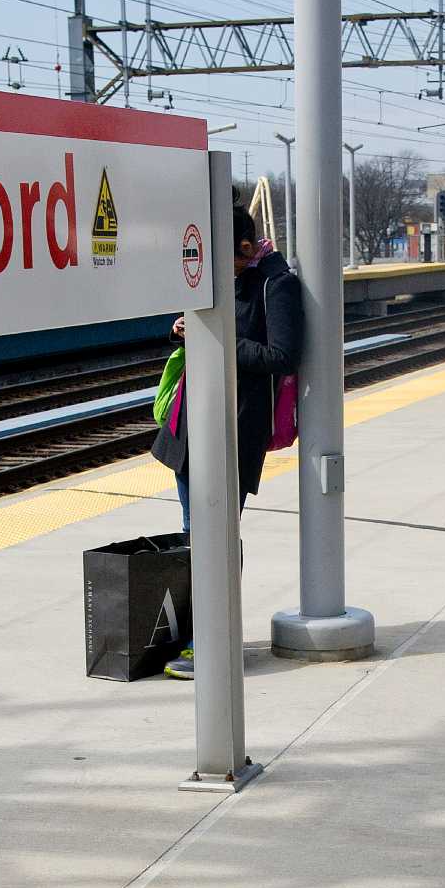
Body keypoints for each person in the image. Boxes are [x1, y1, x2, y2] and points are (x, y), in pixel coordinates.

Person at [153, 203, 302, 679]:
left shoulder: (275, 284)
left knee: (213, 536)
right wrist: (181, 331)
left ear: (244, 247)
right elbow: (195, 331)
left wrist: (214, 335)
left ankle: (211, 643)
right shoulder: (212, 279)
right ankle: (204, 636)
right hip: (189, 427)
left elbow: (282, 354)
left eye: (220, 254)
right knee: (195, 535)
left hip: (233, 427)